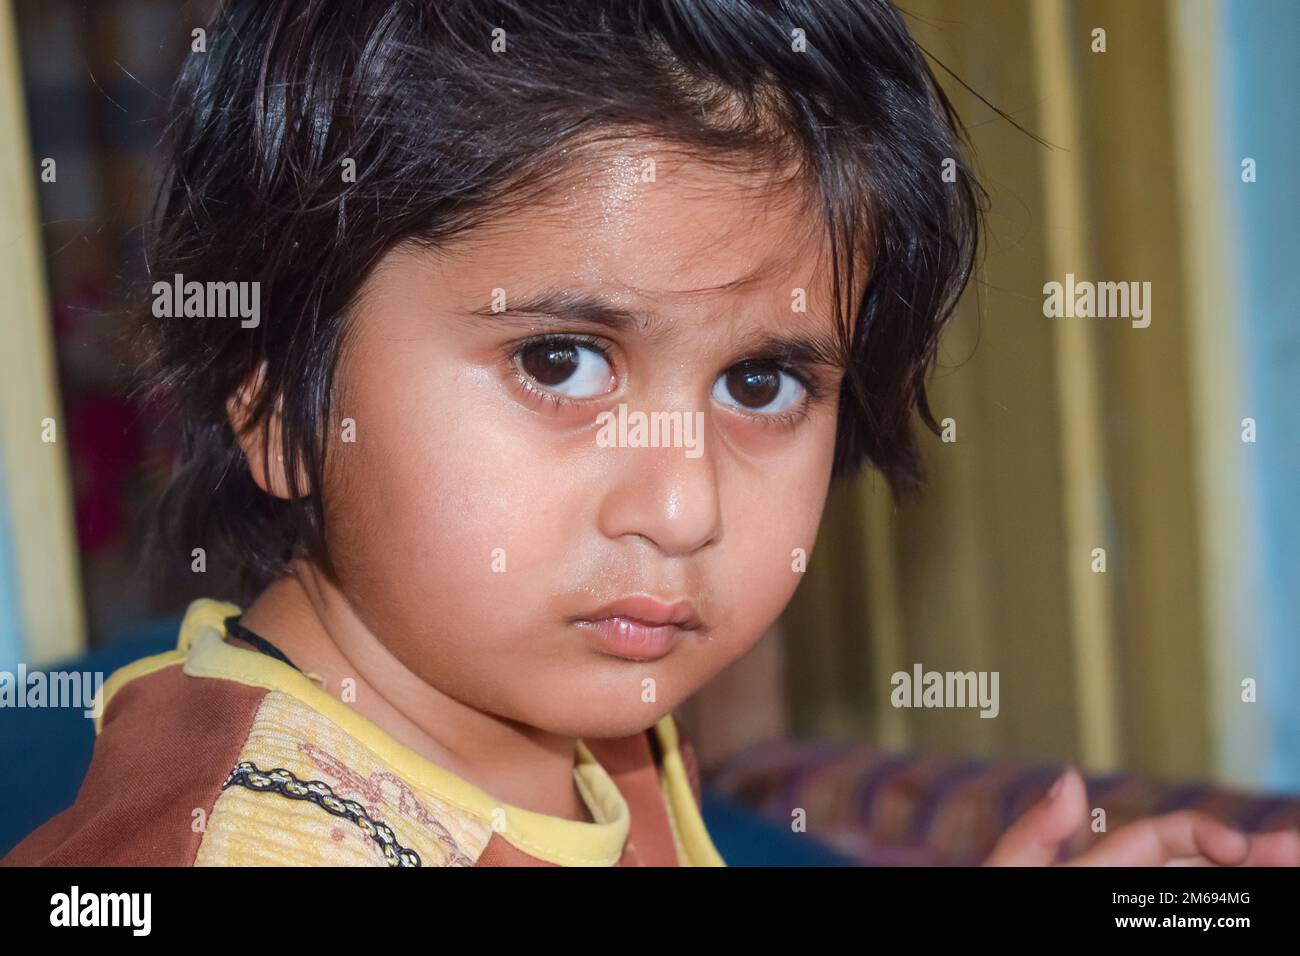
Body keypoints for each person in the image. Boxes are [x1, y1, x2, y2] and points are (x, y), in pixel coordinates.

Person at [5, 0, 1295, 867]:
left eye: (761, 385)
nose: (682, 511)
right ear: (277, 402)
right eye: (560, 361)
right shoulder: (267, 836)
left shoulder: (574, 717)